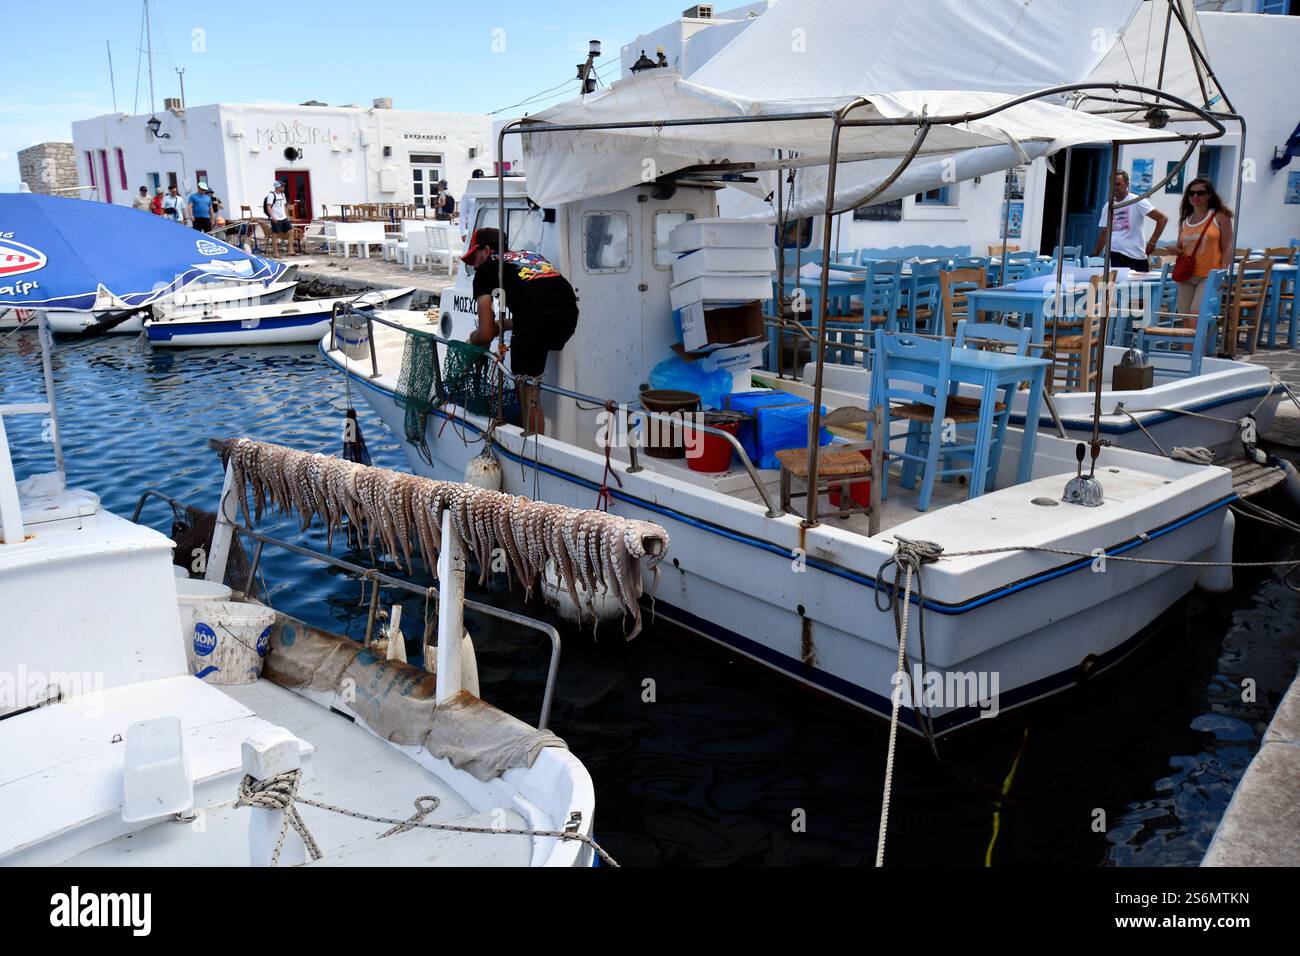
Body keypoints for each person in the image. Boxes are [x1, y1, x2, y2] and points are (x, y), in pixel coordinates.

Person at [462, 227, 578, 435]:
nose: (473, 264)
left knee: (527, 391)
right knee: (531, 378)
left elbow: (485, 334)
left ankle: (533, 447)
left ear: (487, 250)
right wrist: (504, 324)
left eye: (474, 257)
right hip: (568, 317)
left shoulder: (486, 270)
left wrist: (472, 339)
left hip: (536, 323)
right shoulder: (530, 256)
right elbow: (540, 304)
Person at [1164, 176, 1234, 325]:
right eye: (1192, 193)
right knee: (1185, 319)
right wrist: (1174, 250)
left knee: (1195, 318)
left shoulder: (1220, 216)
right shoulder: (1185, 220)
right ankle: (1190, 349)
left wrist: (1223, 273)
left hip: (1208, 275)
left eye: (1200, 193)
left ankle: (1197, 348)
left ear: (1209, 195)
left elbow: (1227, 246)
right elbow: (1181, 248)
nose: (1195, 196)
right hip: (1186, 275)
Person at [1092, 170, 1167, 272]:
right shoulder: (1109, 205)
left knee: (1138, 287)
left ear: (1127, 184)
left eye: (1118, 184)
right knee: (1109, 286)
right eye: (1112, 184)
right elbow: (1105, 231)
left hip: (1135, 256)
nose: (1115, 187)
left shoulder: (1137, 201)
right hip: (1113, 254)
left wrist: (1152, 242)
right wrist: (1094, 255)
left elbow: (1162, 219)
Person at [459, 169, 484, 241]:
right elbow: (463, 214)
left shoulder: (486, 192)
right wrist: (463, 233)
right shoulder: (467, 194)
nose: (478, 181)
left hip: (484, 226)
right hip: (472, 226)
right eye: (477, 178)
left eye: (480, 178)